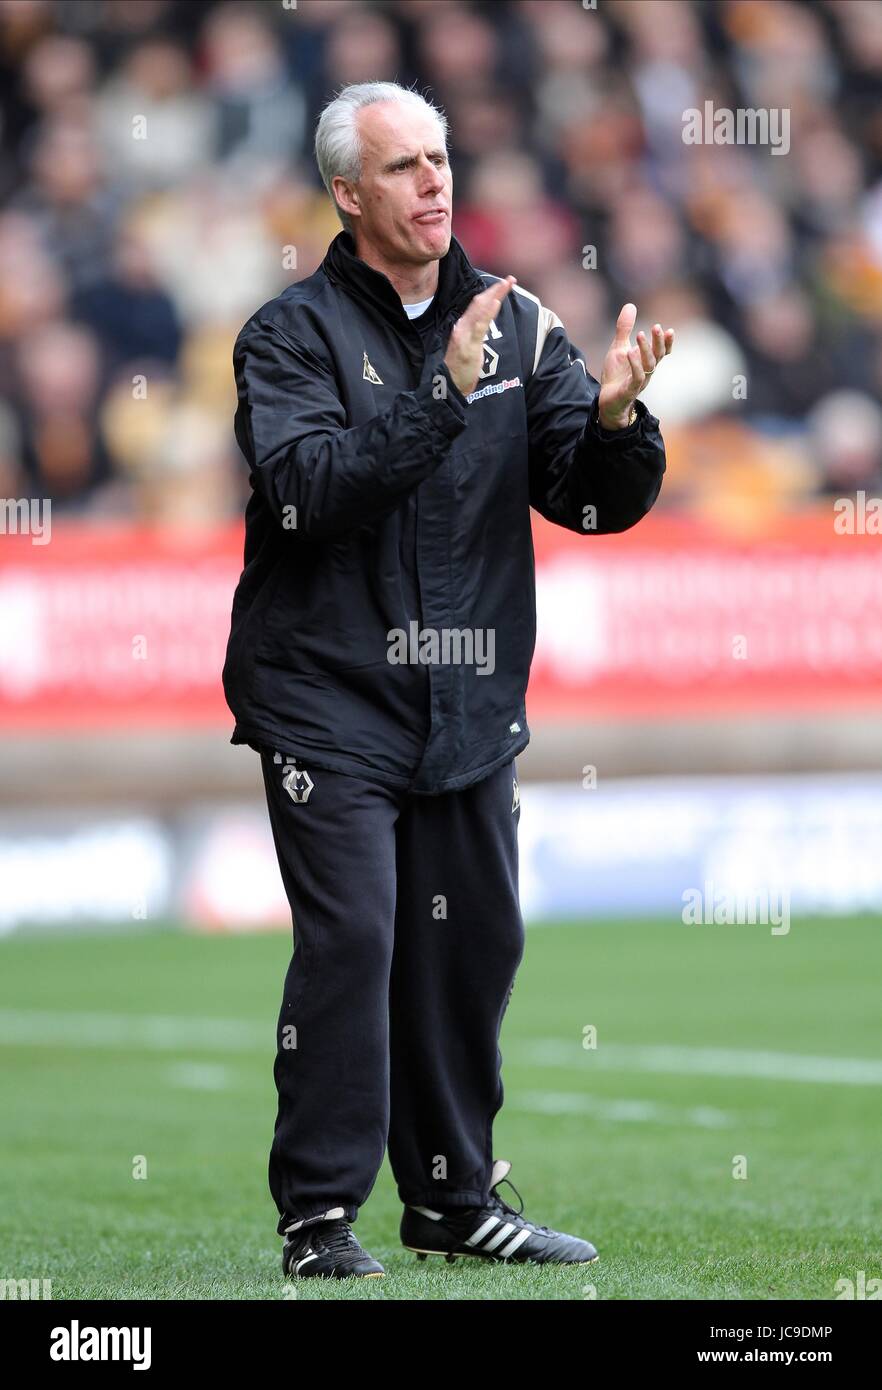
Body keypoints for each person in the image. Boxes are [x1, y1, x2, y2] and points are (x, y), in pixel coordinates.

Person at [222, 81, 673, 1280]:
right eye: (405, 166)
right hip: (328, 695)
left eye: (441, 158)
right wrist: (439, 394)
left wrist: (621, 424)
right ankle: (319, 1219)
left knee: (472, 945)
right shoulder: (289, 334)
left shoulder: (518, 324)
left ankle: (453, 1201)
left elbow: (589, 498)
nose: (435, 182)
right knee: (358, 940)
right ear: (347, 193)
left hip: (469, 701)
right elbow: (305, 491)